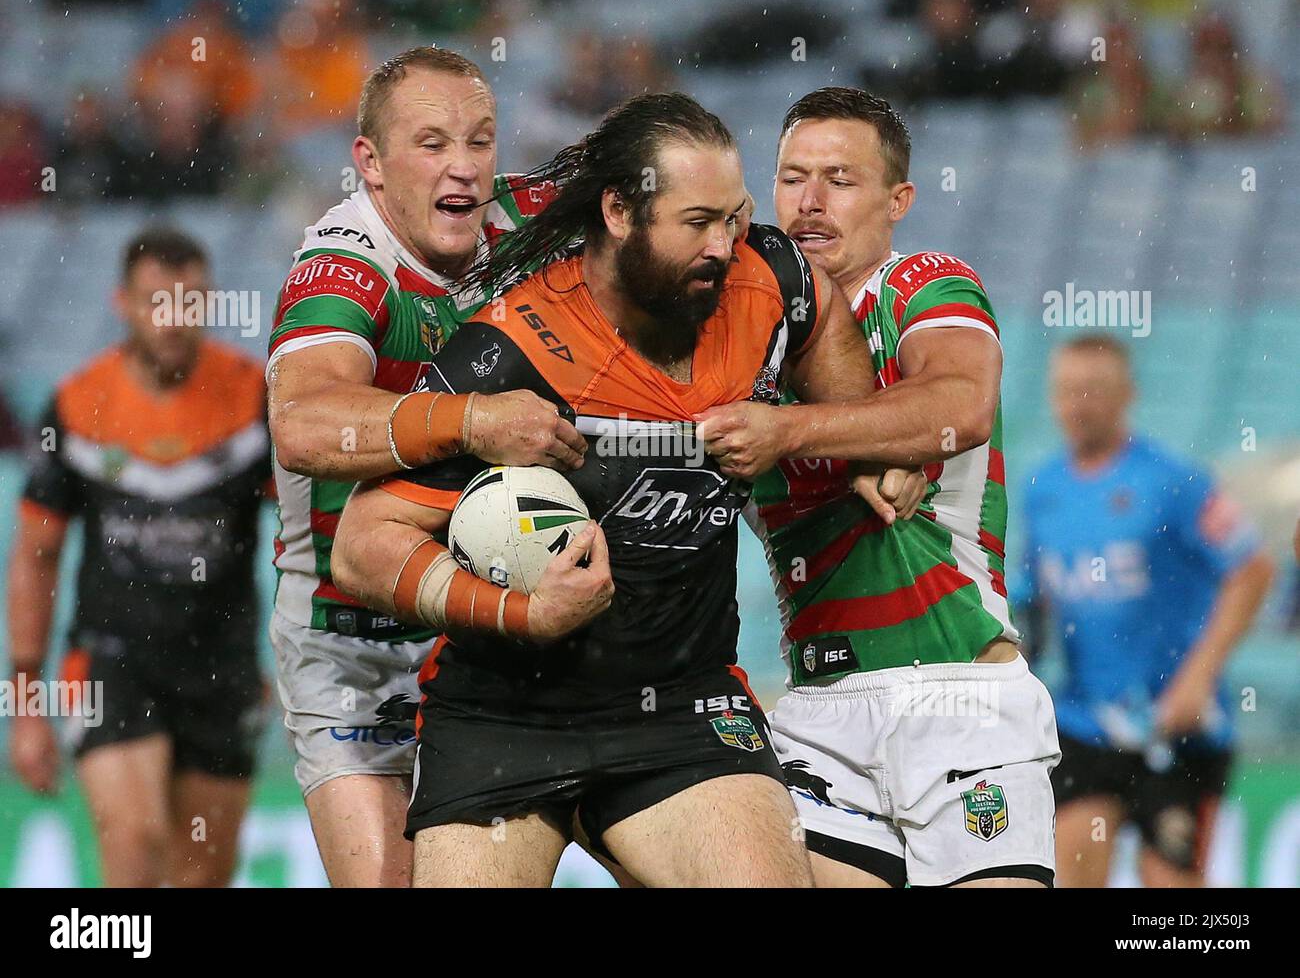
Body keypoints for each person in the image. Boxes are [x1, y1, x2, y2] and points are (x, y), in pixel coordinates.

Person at [329, 92, 912, 887]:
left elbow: (821, 322)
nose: (725, 245)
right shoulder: (510, 353)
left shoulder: (768, 279)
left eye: (735, 219)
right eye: (697, 222)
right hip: (503, 719)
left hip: (683, 706)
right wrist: (522, 613)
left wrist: (859, 433)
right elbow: (363, 546)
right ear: (618, 212)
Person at [701, 86, 1060, 887]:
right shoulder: (741, 340)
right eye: (793, 178)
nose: (812, 203)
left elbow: (960, 403)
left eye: (841, 178)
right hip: (821, 709)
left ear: (898, 200)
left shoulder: (925, 284)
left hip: (960, 696)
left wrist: (797, 431)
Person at [265, 46, 588, 888]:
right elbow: (303, 424)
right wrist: (477, 421)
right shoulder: (341, 265)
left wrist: (844, 418)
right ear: (368, 164)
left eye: (481, 141)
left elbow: (701, 200)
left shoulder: (533, 220)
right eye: (432, 143)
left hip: (492, 637)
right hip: (353, 647)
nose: (464, 166)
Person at [6, 228, 272, 886]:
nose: (173, 321)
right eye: (157, 302)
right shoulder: (74, 406)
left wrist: (289, 661)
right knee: (134, 851)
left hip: (223, 665)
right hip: (110, 660)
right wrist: (26, 705)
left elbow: (308, 535)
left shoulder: (252, 400)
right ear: (121, 303)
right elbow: (37, 557)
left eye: (189, 302)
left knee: (202, 875)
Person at [1018, 336, 1274, 887]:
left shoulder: (1172, 481)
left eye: (1093, 390)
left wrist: (1198, 677)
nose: (1077, 404)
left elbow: (1252, 569)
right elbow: (1031, 601)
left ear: (1127, 395)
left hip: (1178, 726)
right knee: (1074, 865)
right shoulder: (1043, 489)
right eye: (1065, 391)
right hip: (1085, 721)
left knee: (1171, 889)